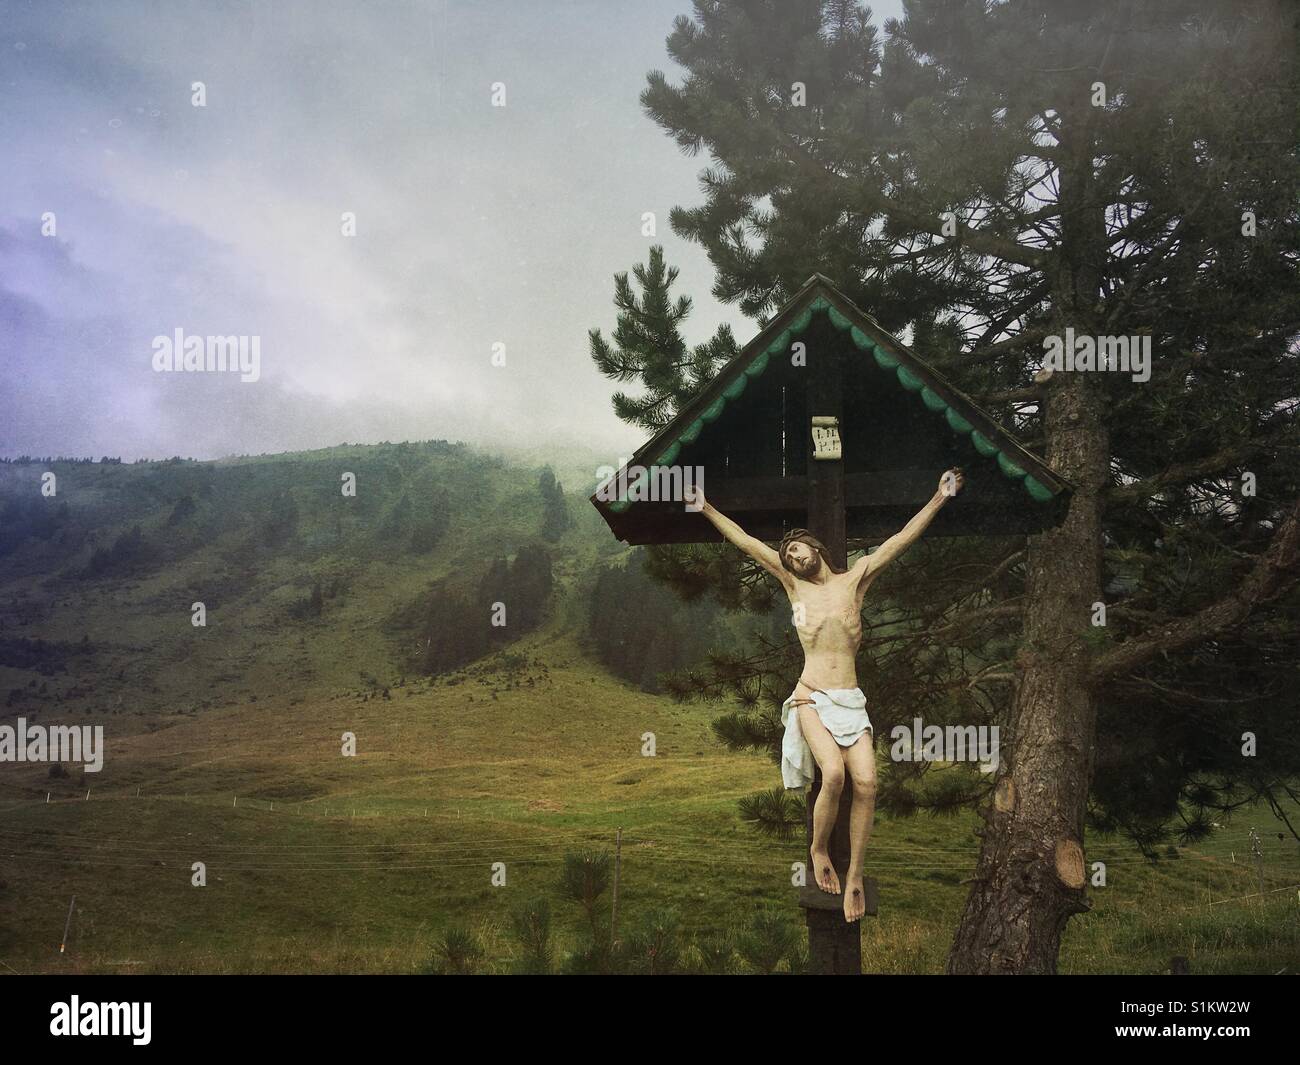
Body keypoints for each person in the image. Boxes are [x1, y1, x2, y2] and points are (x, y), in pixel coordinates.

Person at [684, 469, 964, 922]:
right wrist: (707, 509)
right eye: (789, 554)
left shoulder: (855, 581)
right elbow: (747, 542)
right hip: (810, 695)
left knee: (869, 784)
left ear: (817, 549)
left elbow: (899, 540)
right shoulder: (794, 587)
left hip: (851, 699)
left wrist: (938, 497)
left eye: (799, 549)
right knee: (832, 775)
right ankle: (817, 852)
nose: (795, 557)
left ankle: (855, 876)